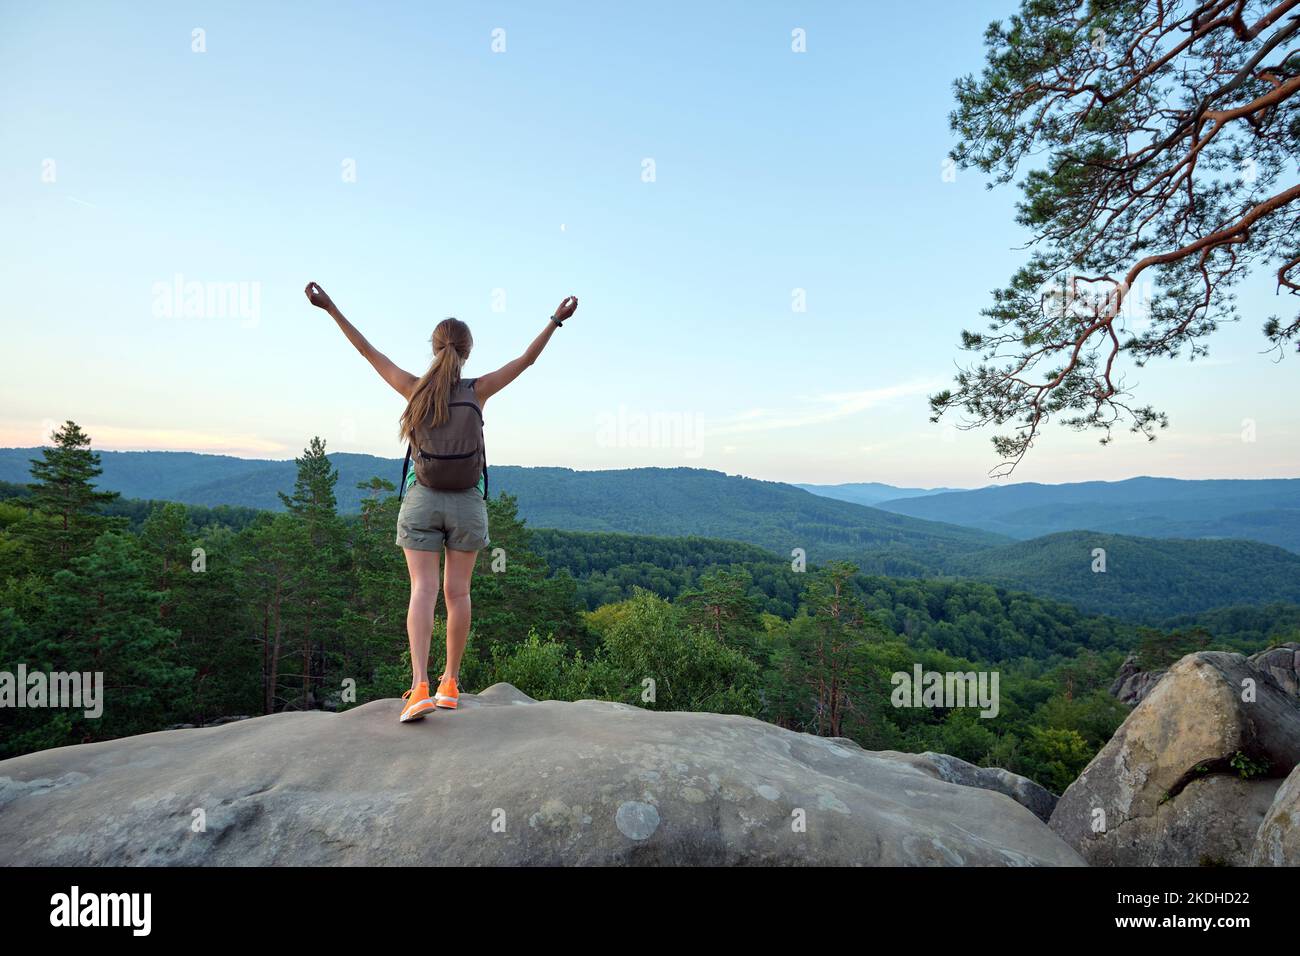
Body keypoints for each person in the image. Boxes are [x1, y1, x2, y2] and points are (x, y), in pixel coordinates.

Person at [304, 281, 579, 722]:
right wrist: (555, 320)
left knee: (423, 591)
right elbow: (525, 361)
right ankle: (451, 683)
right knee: (458, 593)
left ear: (434, 349)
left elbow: (366, 351)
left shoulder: (413, 388)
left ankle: (419, 688)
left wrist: (330, 307)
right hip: (467, 502)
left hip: (421, 501)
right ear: (466, 352)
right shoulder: (478, 389)